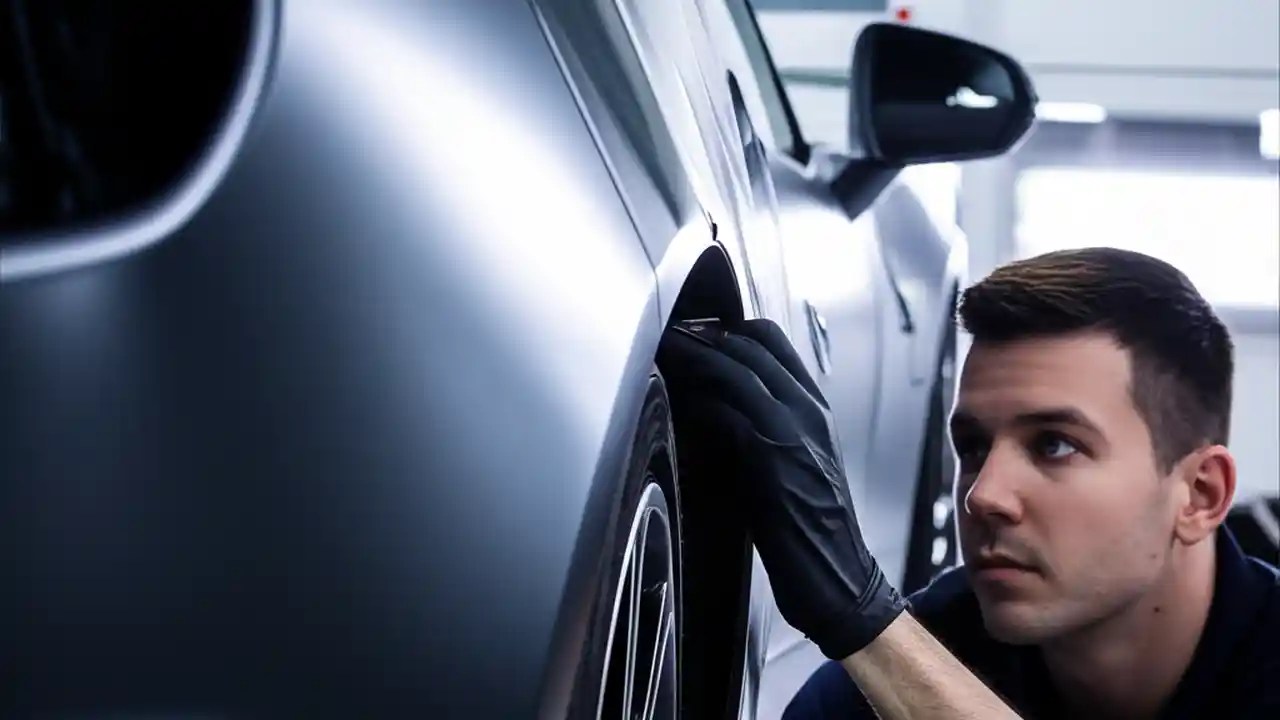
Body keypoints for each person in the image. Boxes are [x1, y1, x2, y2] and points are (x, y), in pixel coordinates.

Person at [658, 247, 1279, 720]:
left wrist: (865, 620)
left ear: (1200, 495)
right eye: (974, 446)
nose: (983, 495)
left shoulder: (891, 658)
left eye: (1055, 445)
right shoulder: (914, 657)